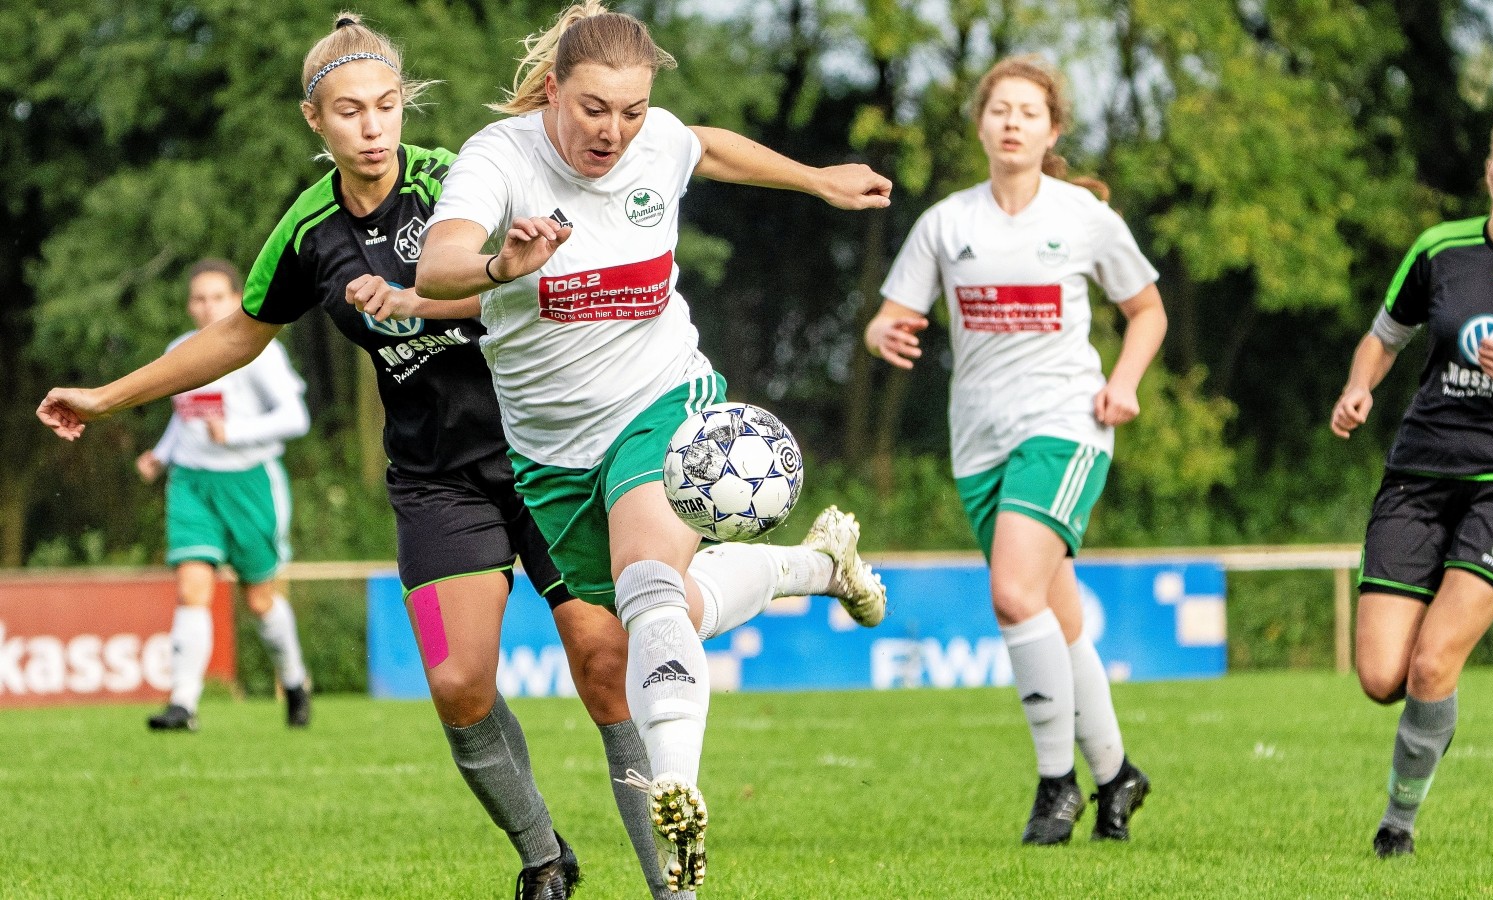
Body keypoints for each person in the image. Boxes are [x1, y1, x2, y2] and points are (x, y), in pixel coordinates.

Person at [42, 14, 652, 899]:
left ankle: (674, 888)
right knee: (453, 681)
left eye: (387, 107)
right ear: (314, 121)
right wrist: (106, 397)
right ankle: (544, 859)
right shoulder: (308, 231)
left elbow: (557, 264)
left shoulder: (459, 180)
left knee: (602, 666)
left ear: (405, 106)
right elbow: (236, 335)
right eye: (350, 112)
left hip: (544, 454)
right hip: (435, 483)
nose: (373, 128)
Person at [414, 2, 891, 890]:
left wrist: (817, 180)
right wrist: (497, 267)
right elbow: (436, 263)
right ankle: (814, 567)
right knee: (610, 660)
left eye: (632, 111)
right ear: (554, 89)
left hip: (663, 403)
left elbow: (702, 143)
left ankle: (677, 805)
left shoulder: (655, 142)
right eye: (595, 108)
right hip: (550, 453)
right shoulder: (500, 158)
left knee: (647, 582)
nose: (615, 131)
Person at [864, 56, 1165, 847]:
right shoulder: (947, 223)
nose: (1012, 123)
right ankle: (1117, 774)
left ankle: (1056, 783)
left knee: (1010, 592)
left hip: (1064, 425)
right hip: (980, 440)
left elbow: (1147, 311)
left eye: (1029, 112)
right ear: (981, 124)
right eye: (1000, 110)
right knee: (1056, 617)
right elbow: (893, 311)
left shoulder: (1084, 217)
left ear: (1052, 128)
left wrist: (1125, 383)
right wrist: (882, 330)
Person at [1330, 107, 1493, 859]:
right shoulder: (1439, 249)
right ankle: (1433, 709)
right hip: (1420, 472)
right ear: (1488, 169)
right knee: (1383, 676)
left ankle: (1397, 827)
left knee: (1430, 662)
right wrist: (1360, 389)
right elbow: (1385, 336)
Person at [134, 258, 312, 732]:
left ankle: (294, 682)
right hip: (192, 483)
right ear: (189, 306)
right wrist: (161, 454)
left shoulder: (261, 351)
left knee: (259, 600)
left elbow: (296, 418)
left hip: (249, 483)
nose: (208, 306)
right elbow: (184, 414)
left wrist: (233, 431)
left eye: (218, 296)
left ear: (237, 299)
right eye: (199, 298)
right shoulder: (179, 350)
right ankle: (183, 704)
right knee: (193, 588)